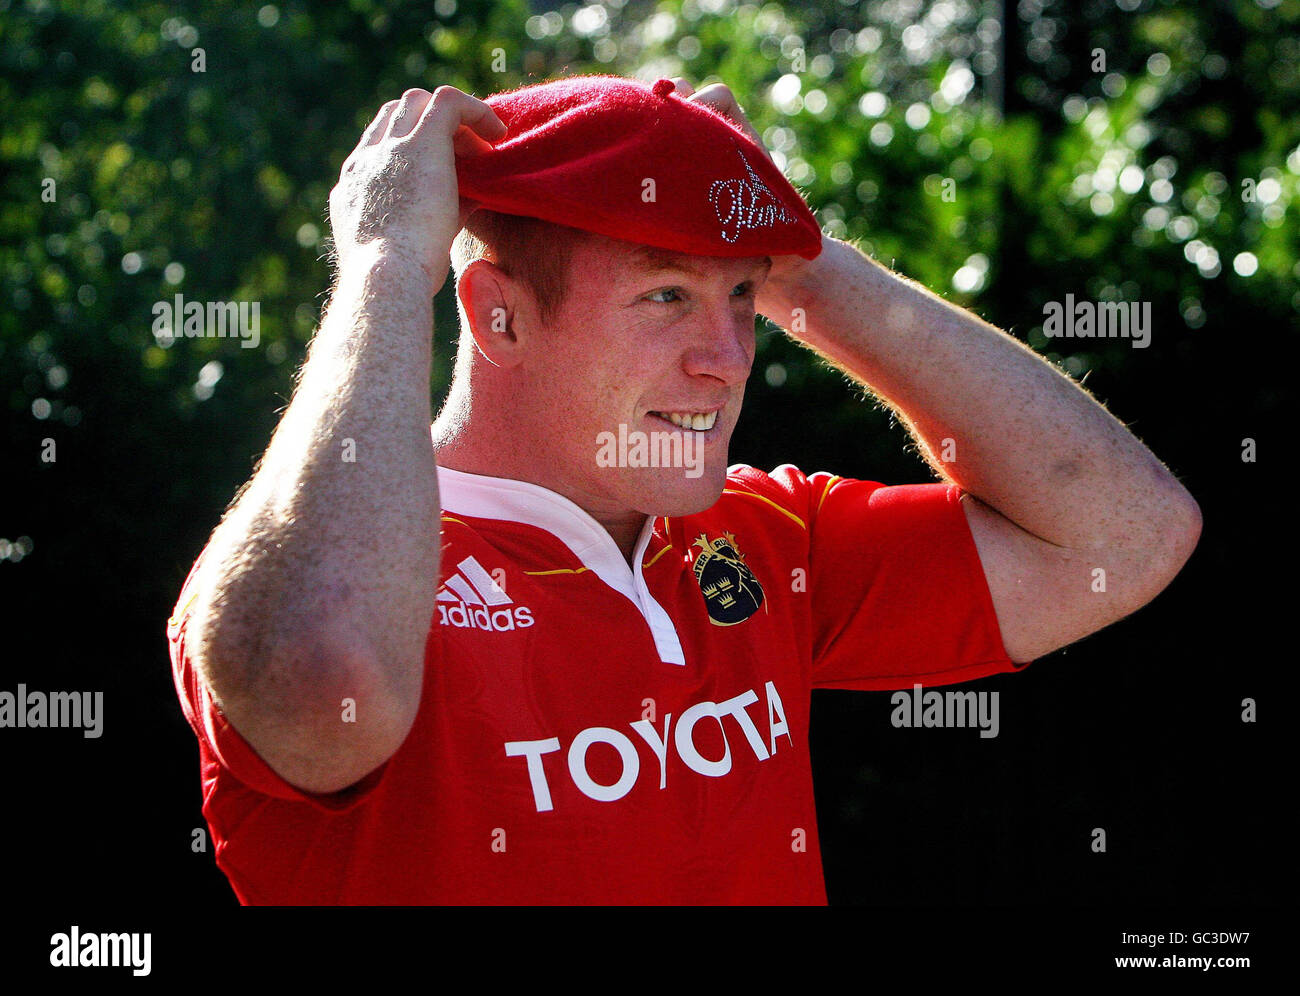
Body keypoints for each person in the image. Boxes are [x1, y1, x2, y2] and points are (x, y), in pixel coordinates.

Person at [167, 74, 1201, 904]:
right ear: (500, 317)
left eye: (739, 298)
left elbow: (1126, 531)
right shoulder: (313, 563)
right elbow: (322, 680)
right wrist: (388, 261)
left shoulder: (760, 534)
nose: (728, 357)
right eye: (665, 294)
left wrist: (797, 258)